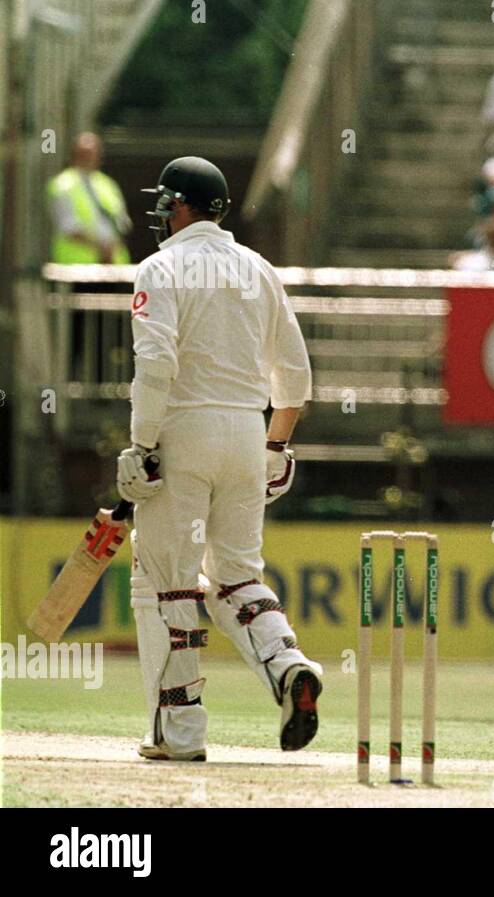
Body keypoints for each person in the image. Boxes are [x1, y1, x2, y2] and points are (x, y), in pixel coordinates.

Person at [115, 156, 323, 761]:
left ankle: (179, 730)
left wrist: (142, 445)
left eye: (164, 203)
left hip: (183, 429)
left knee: (167, 580)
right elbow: (296, 375)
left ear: (178, 205)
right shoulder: (258, 269)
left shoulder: (160, 266)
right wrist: (276, 448)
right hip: (246, 435)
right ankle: (287, 665)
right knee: (236, 578)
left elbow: (155, 366)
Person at [47, 132, 132, 264]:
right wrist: (101, 247)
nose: (88, 158)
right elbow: (68, 226)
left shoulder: (107, 184)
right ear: (73, 154)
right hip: (77, 266)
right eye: (84, 153)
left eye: (92, 153)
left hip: (112, 265)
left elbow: (122, 224)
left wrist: (112, 247)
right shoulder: (63, 185)